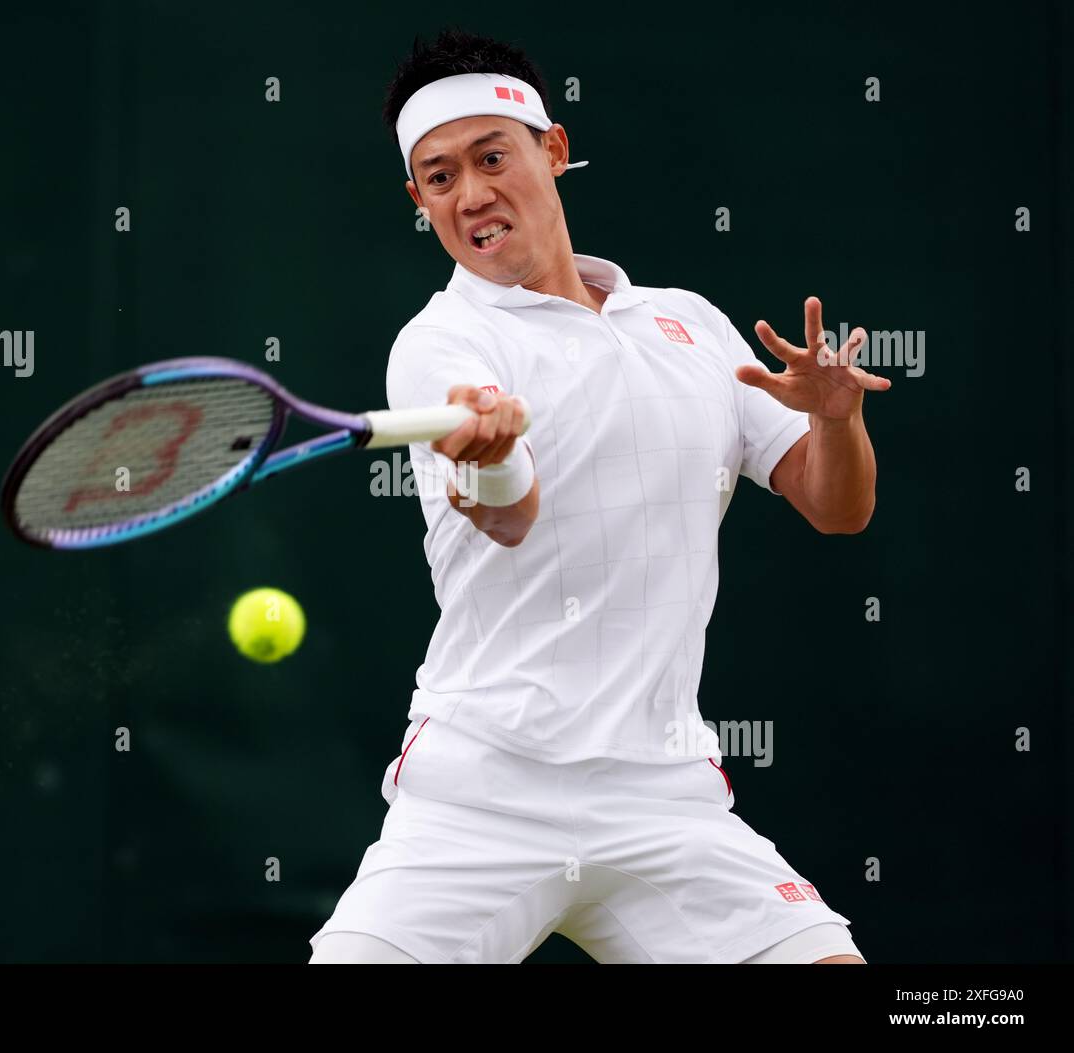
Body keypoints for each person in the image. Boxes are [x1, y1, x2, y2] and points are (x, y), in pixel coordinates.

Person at [309, 28, 887, 965]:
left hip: (665, 796)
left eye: (492, 158)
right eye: (441, 177)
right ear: (419, 200)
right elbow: (508, 514)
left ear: (554, 150)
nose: (473, 195)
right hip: (480, 794)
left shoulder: (689, 322)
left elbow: (838, 506)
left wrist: (833, 421)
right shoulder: (439, 345)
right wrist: (491, 455)